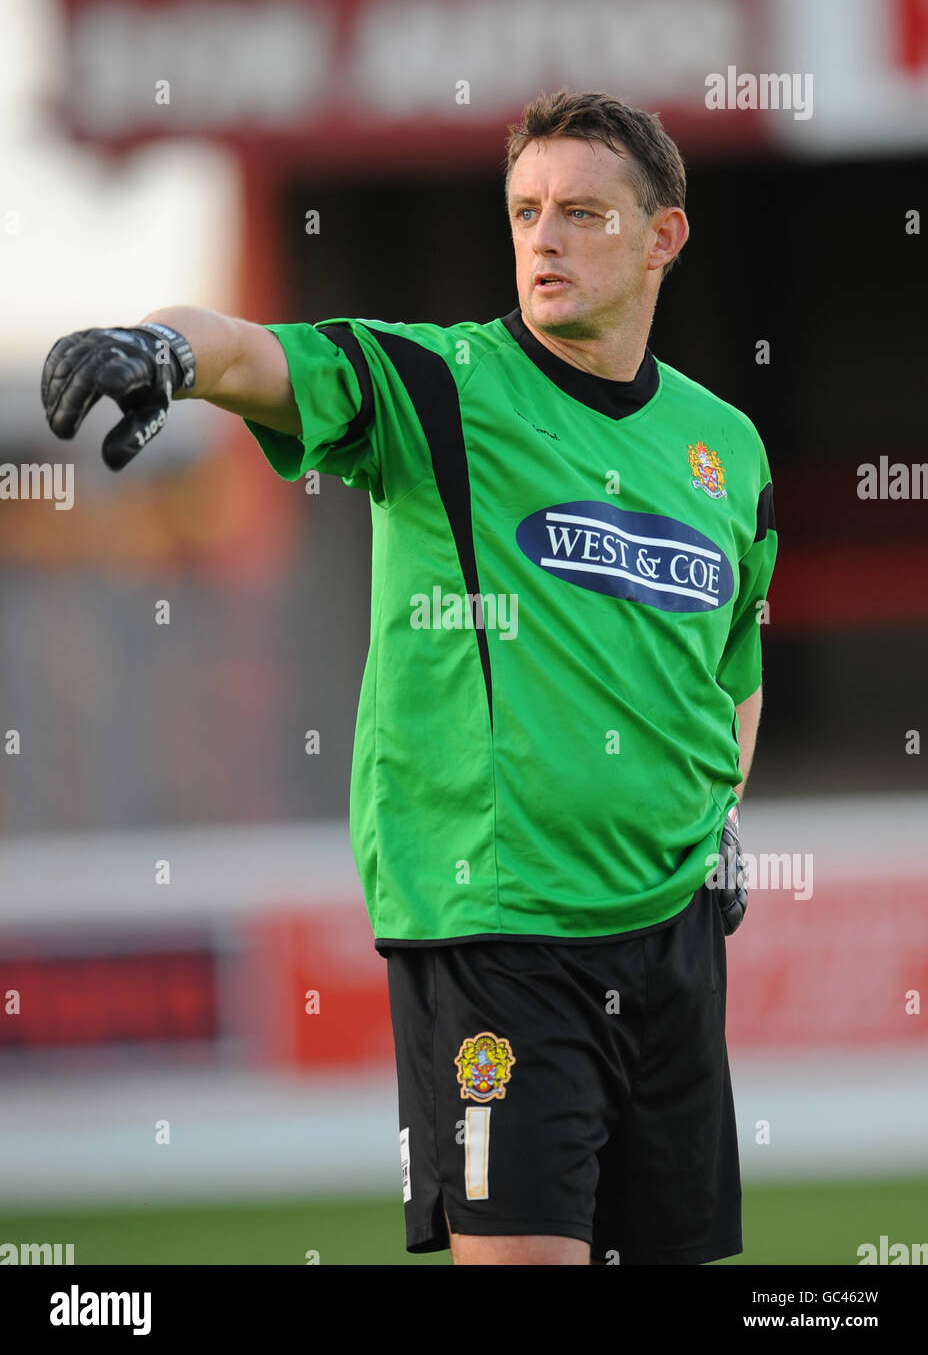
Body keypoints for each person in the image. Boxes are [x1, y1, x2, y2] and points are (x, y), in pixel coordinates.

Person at [41, 89, 776, 1266]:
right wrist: (168, 351)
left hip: (672, 945)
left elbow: (731, 663)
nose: (544, 237)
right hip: (496, 933)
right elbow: (263, 355)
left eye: (582, 213)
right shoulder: (438, 387)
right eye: (526, 211)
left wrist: (726, 816)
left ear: (663, 237)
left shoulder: (725, 447)